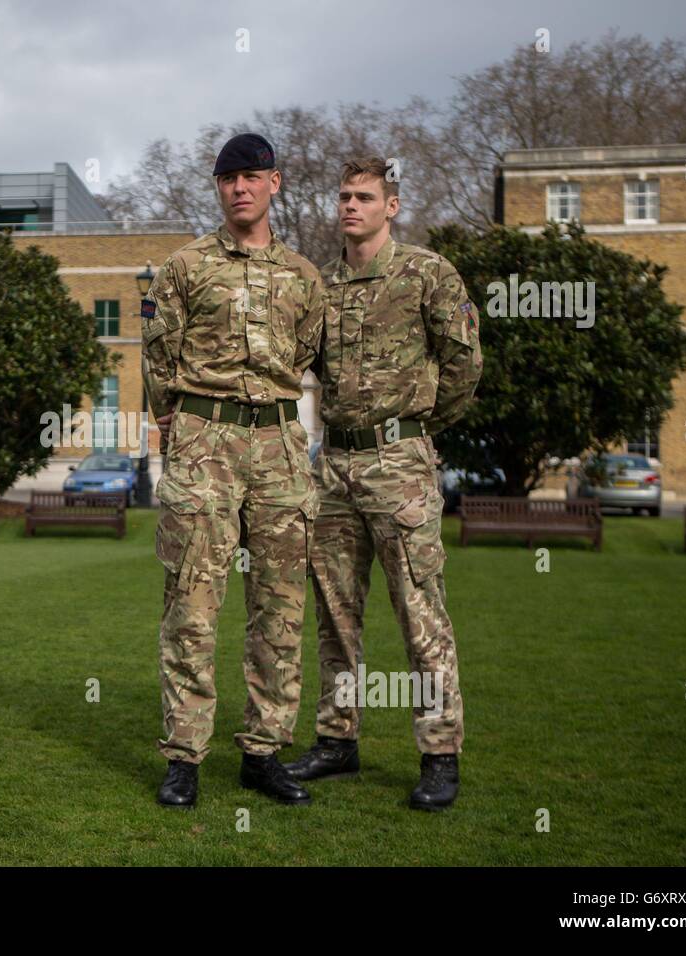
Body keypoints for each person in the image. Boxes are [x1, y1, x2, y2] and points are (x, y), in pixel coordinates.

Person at [282, 156, 482, 811]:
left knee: (420, 614)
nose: (350, 206)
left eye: (364, 196)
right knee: (336, 620)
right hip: (333, 469)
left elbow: (463, 365)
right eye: (343, 195)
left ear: (390, 206)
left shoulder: (427, 273)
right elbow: (295, 363)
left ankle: (439, 753)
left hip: (400, 468)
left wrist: (415, 430)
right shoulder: (321, 284)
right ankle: (338, 740)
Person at [142, 133, 326, 808]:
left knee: (278, 608)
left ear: (274, 183)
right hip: (204, 441)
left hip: (278, 447)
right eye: (227, 180)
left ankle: (263, 751)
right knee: (192, 605)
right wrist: (181, 432)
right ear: (218, 189)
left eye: (251, 177)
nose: (238, 188)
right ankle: (185, 756)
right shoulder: (184, 268)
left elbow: (302, 356)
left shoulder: (305, 277)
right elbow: (159, 361)